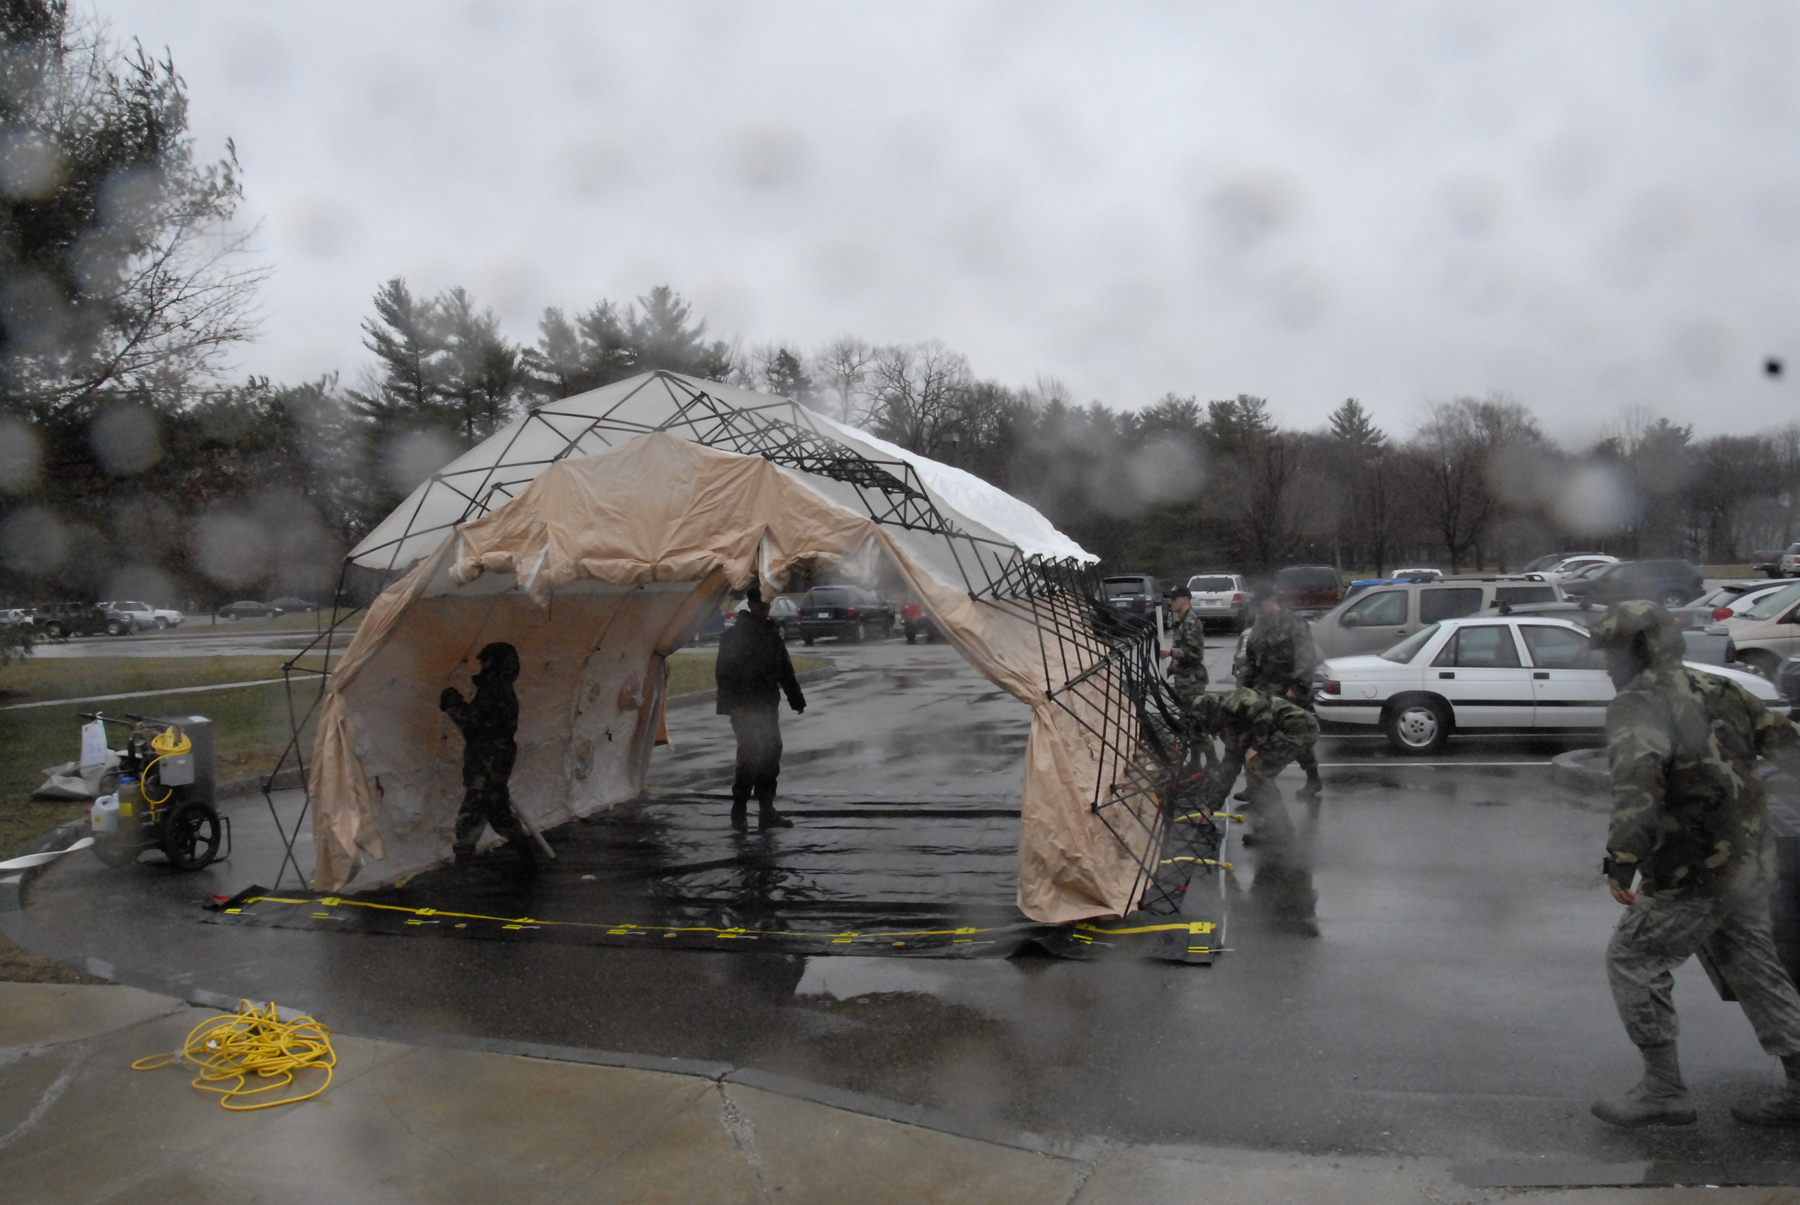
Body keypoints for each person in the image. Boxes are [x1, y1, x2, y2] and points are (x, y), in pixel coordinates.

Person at [1588, 600, 1800, 1129]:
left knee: (1632, 958)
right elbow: (1789, 746)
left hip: (1693, 869)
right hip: (1749, 860)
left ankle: (1663, 1090)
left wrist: (1622, 861)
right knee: (1753, 965)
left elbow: (1639, 787)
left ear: (1637, 652)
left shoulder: (1639, 704)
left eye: (1613, 654)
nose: (1607, 667)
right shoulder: (1721, 689)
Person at [716, 583, 806, 829]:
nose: (763, 609)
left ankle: (766, 811)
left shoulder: (771, 634)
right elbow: (724, 674)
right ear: (752, 603)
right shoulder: (734, 636)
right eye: (760, 604)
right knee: (749, 758)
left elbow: (784, 670)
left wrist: (795, 698)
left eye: (767, 605)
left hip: (767, 707)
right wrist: (731, 706)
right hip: (744, 708)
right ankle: (740, 811)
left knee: (770, 756)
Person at [439, 641, 535, 868]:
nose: (481, 665)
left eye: (486, 661)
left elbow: (473, 724)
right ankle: (526, 856)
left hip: (488, 759)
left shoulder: (493, 692)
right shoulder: (499, 689)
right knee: (497, 809)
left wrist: (453, 703)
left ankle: (464, 863)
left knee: (473, 810)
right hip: (495, 758)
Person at [1193, 686, 1318, 846]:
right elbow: (1229, 768)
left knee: (1258, 770)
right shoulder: (1229, 725)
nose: (1206, 732)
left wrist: (1257, 746)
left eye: (1204, 726)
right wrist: (1210, 807)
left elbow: (1262, 710)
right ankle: (1279, 826)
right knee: (1256, 769)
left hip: (1298, 729)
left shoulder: (1236, 705)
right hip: (1289, 730)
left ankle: (1276, 830)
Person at [1235, 589, 1324, 801]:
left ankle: (1313, 778)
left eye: (1261, 605)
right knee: (1256, 737)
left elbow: (1305, 658)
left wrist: (1297, 688)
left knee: (1296, 738)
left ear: (1273, 600)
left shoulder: (1294, 624)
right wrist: (1242, 687)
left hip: (1288, 692)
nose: (1258, 610)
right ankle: (1255, 785)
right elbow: (1250, 659)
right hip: (1262, 692)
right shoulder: (1259, 625)